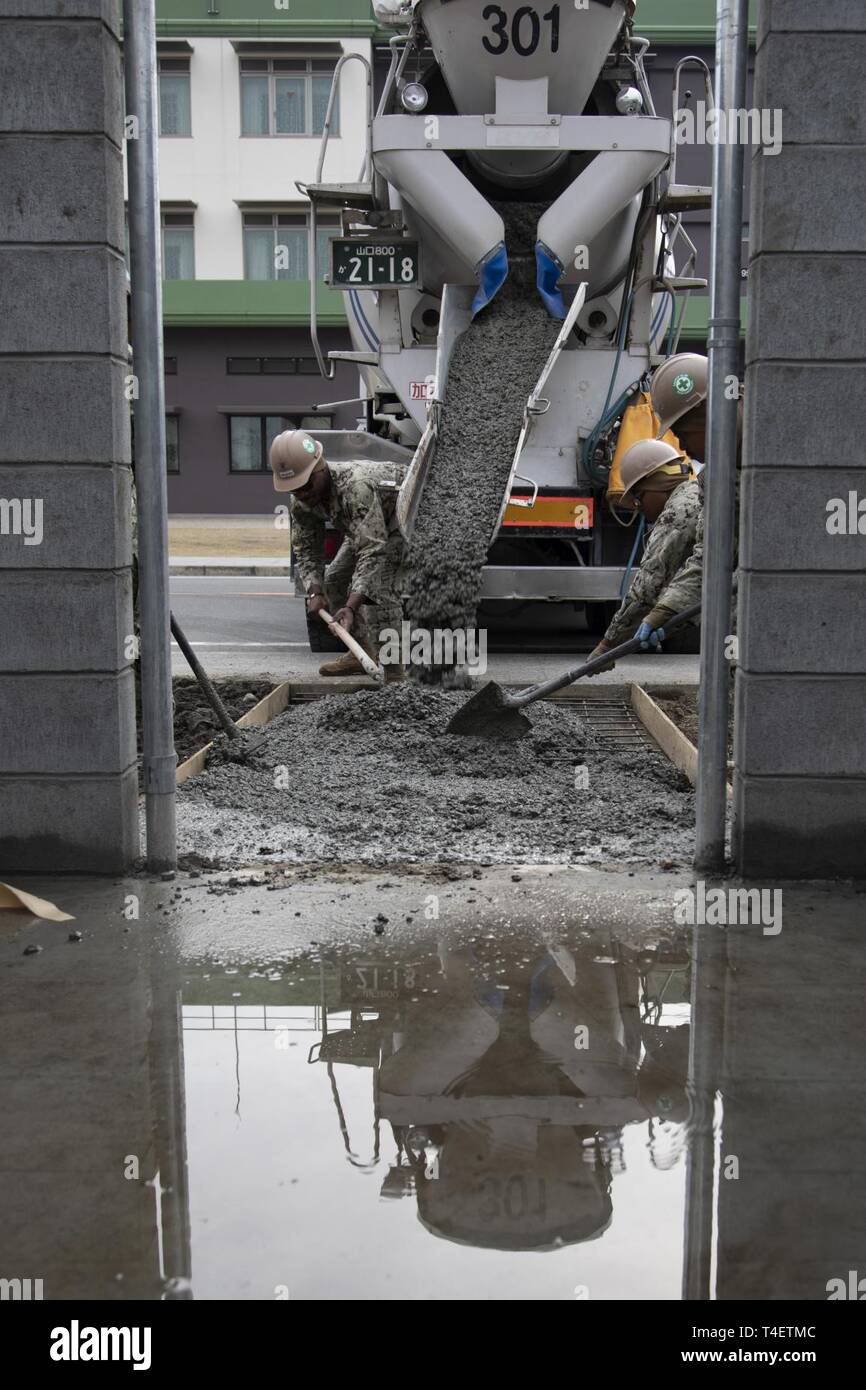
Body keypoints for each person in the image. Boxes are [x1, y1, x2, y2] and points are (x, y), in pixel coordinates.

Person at [271, 430, 408, 680]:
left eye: (306, 485)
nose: (303, 494)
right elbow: (305, 547)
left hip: (400, 520)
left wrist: (351, 606)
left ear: (320, 468)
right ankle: (361, 653)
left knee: (378, 593)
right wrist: (315, 590)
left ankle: (394, 673)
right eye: (295, 490)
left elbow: (373, 549)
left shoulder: (355, 487)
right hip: (363, 526)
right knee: (333, 579)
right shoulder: (302, 501)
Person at [588, 439, 702, 665]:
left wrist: (607, 645)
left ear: (657, 486)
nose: (639, 509)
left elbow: (648, 584)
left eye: (638, 499)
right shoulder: (697, 494)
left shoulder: (678, 512)